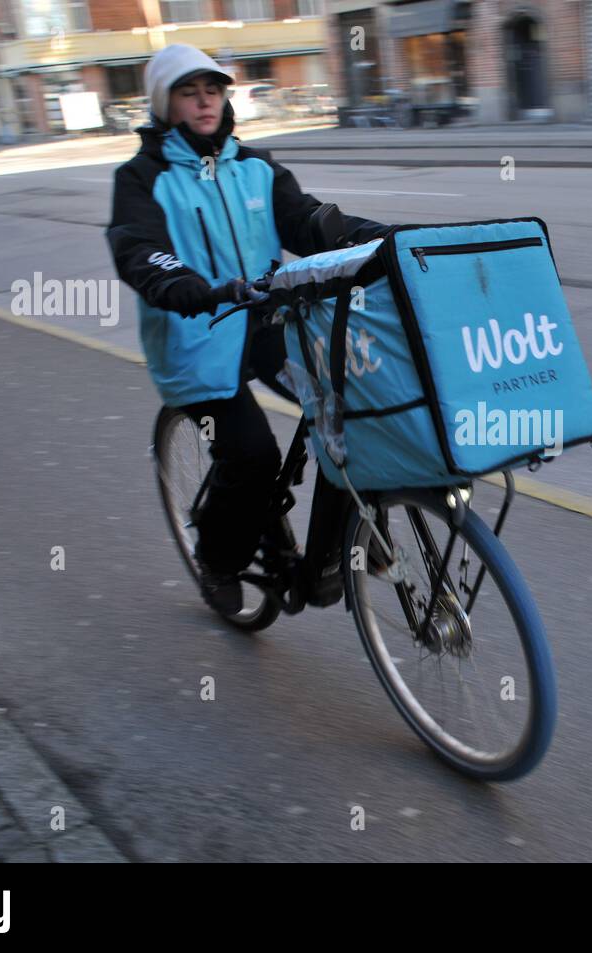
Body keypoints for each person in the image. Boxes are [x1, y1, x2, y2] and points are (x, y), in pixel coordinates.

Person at [105, 44, 390, 614]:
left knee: (358, 406)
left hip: (270, 324)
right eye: (189, 92)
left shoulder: (254, 166)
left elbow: (308, 221)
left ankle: (357, 533)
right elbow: (138, 248)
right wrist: (186, 283)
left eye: (213, 89)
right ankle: (216, 558)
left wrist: (386, 240)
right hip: (196, 340)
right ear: (166, 104)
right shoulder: (142, 179)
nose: (205, 101)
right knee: (253, 459)